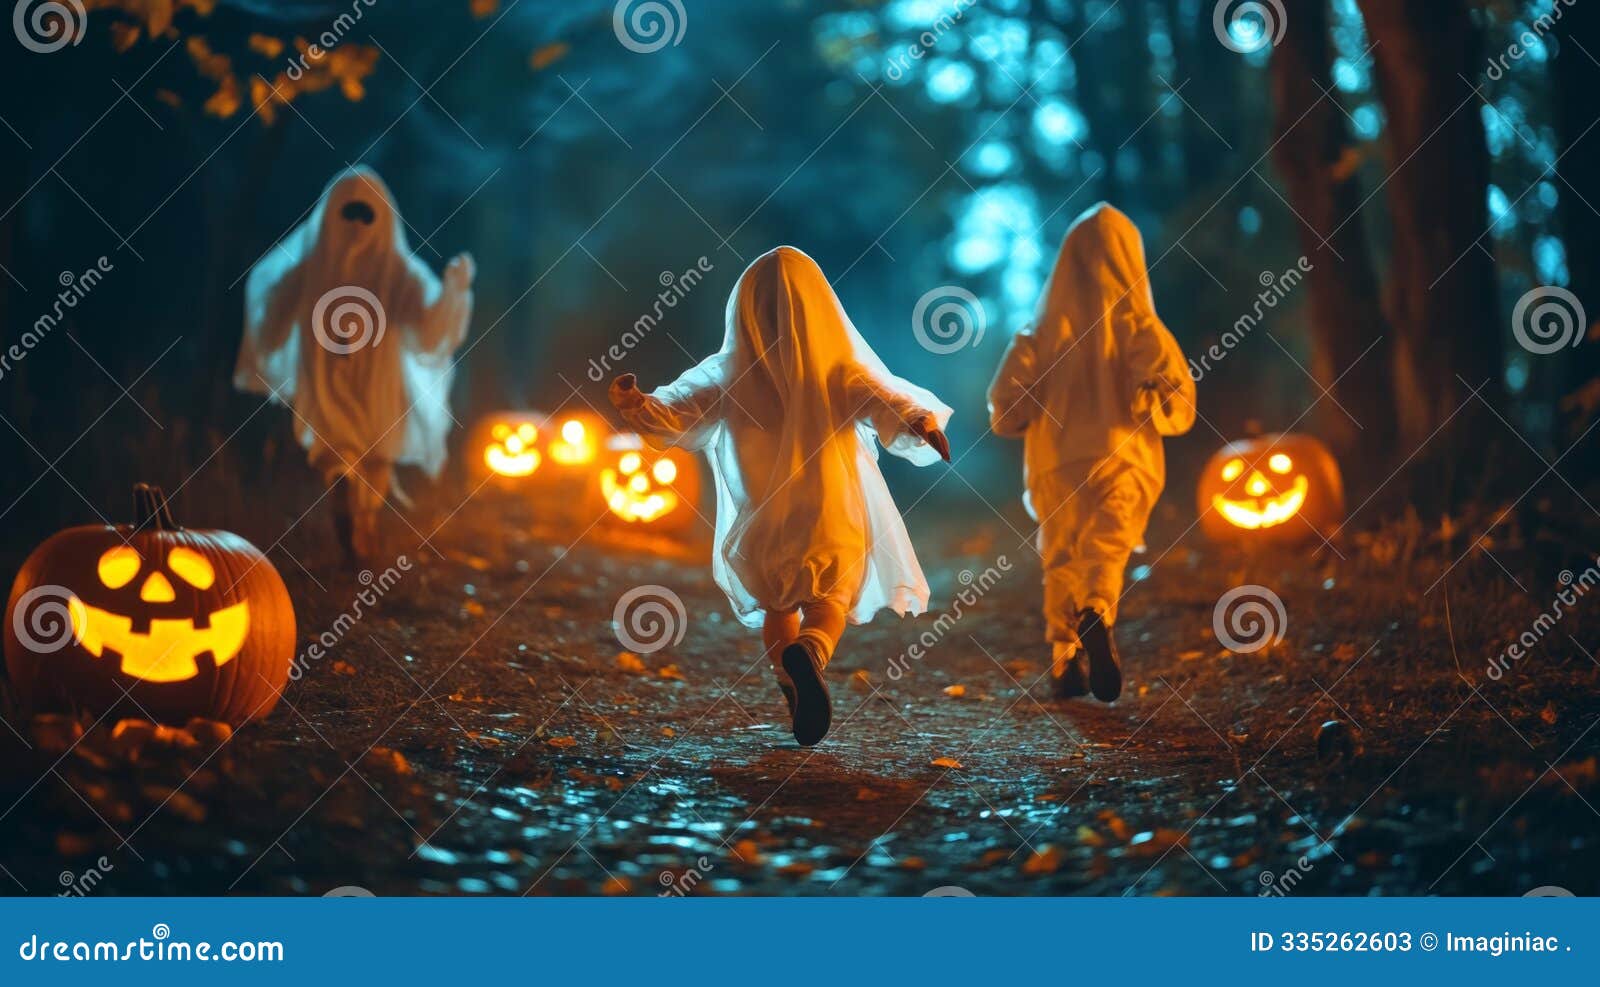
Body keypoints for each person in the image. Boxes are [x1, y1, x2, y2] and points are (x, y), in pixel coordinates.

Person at [610, 246, 951, 746]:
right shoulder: (837, 370)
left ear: (744, 311)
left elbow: (676, 412)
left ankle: (790, 682)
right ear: (820, 309)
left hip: (764, 519)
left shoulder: (726, 374)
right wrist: (920, 423)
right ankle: (811, 652)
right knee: (830, 596)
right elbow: (887, 401)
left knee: (777, 604)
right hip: (828, 512)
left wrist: (636, 404)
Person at [987, 203, 1194, 702]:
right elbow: (1176, 400)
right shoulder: (1140, 327)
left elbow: (1004, 408)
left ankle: (1065, 662)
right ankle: (1096, 612)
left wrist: (1034, 402)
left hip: (1056, 461)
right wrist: (1148, 395)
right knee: (1107, 546)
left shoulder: (1038, 334)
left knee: (1061, 555)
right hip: (1121, 455)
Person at [235, 167, 474, 564]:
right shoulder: (325, 267)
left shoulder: (392, 270)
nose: (357, 225)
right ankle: (354, 517)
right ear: (330, 214)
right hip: (332, 374)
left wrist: (453, 293)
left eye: (367, 215)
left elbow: (429, 327)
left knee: (372, 455)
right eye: (349, 214)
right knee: (342, 448)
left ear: (383, 217)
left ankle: (359, 524)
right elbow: (275, 311)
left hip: (375, 378)